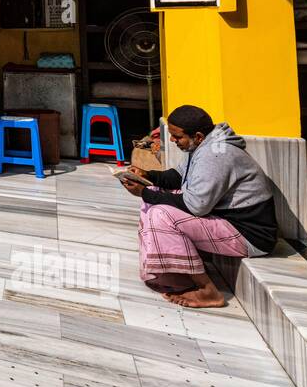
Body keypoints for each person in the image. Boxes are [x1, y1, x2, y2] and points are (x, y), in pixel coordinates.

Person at [118, 104, 277, 308]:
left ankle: (206, 290)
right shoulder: (203, 145)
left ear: (198, 136)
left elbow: (197, 206)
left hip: (250, 235)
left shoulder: (215, 154)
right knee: (156, 197)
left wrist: (144, 192)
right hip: (224, 219)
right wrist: (147, 176)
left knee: (161, 213)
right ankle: (176, 272)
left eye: (177, 137)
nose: (173, 141)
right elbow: (177, 176)